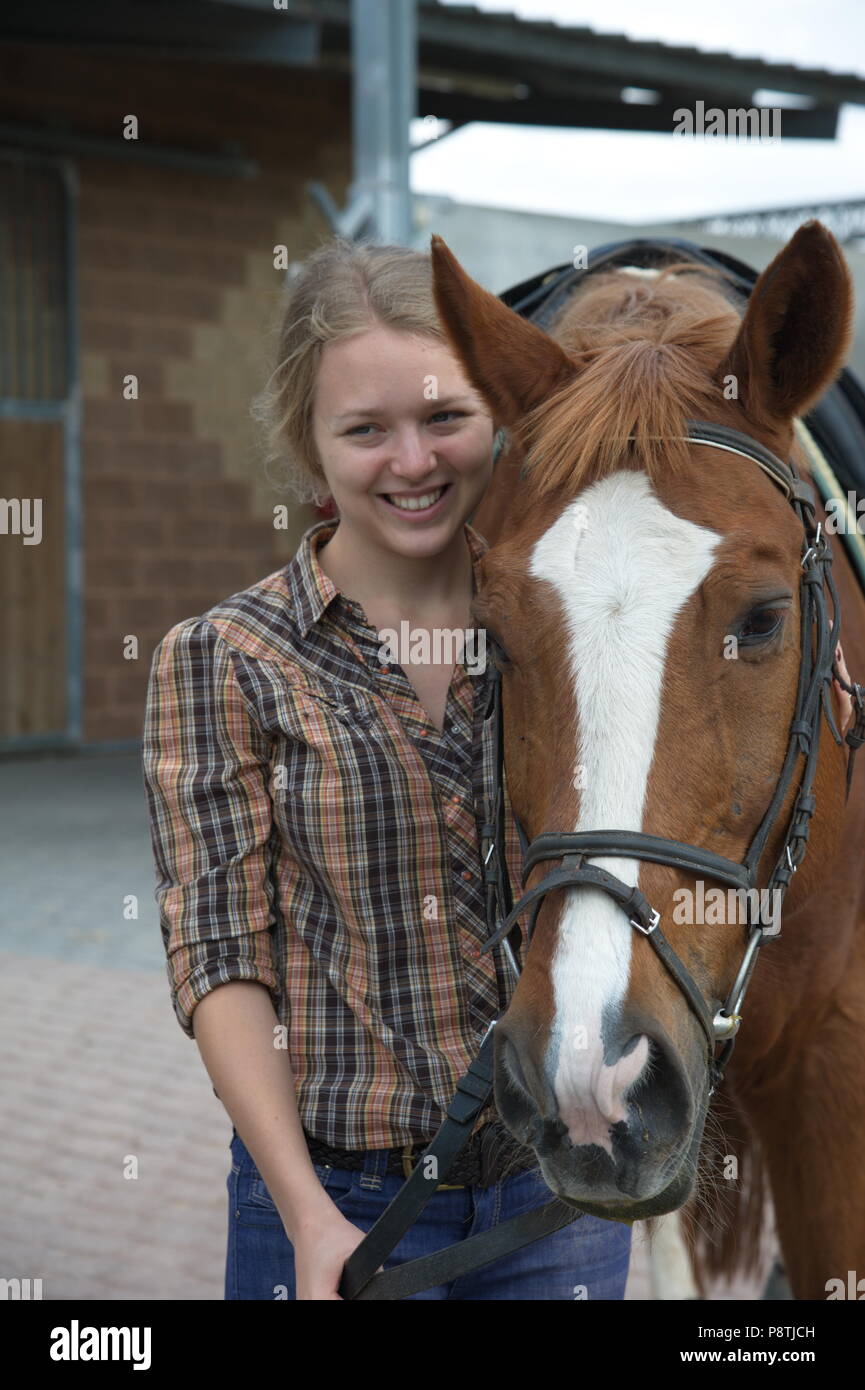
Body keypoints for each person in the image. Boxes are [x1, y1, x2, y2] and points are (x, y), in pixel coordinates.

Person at [141, 236, 633, 1301]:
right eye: (365, 430)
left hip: (559, 1194)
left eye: (443, 418)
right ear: (309, 445)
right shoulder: (225, 658)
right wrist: (307, 1218)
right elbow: (221, 961)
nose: (412, 462)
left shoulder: (562, 630)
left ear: (495, 418)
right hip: (338, 1208)